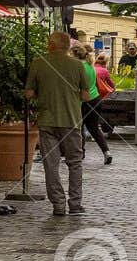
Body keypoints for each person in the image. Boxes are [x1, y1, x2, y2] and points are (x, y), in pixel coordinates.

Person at [25, 31, 89, 216]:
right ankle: (75, 204)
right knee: (75, 163)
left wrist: (42, 95)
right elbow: (85, 95)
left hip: (47, 121)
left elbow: (28, 94)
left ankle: (58, 205)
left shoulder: (38, 63)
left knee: (51, 165)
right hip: (71, 120)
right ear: (68, 46)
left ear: (51, 45)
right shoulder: (77, 65)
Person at [75, 44, 113, 165]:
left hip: (83, 101)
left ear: (75, 55)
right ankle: (106, 152)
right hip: (96, 99)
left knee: (79, 127)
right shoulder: (90, 66)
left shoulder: (78, 67)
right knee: (94, 128)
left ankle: (80, 153)